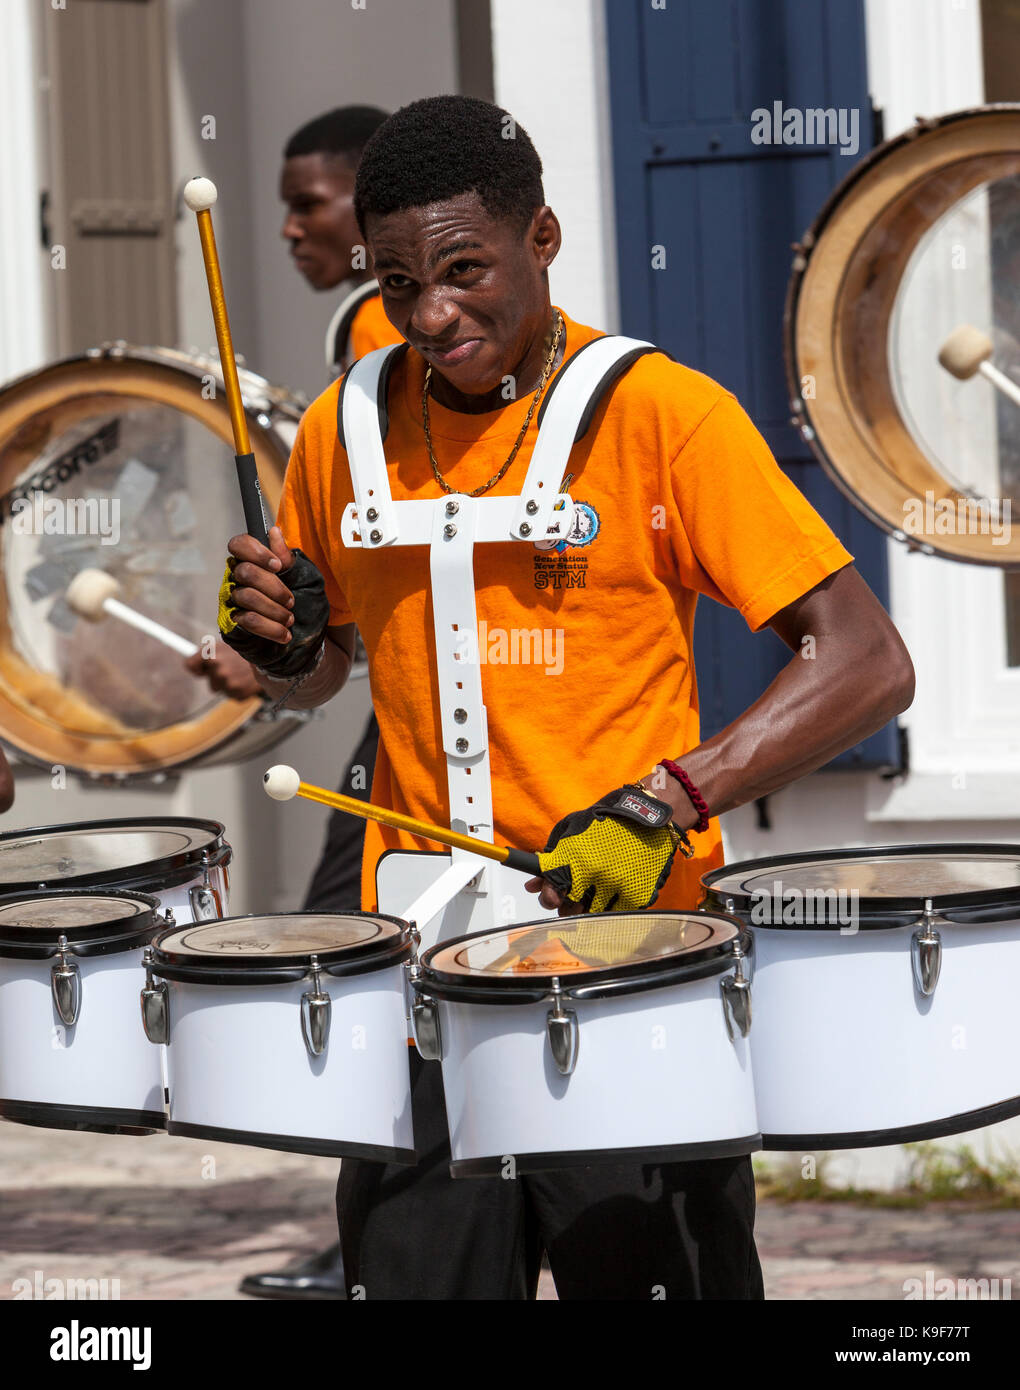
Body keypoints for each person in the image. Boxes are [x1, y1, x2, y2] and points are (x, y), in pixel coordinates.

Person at [218, 95, 915, 1300]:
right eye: (396, 284)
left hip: (632, 971)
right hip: (420, 983)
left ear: (541, 238)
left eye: (464, 269)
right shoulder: (341, 429)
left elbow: (863, 660)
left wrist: (667, 802)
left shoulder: (664, 414)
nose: (434, 315)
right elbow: (334, 663)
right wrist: (288, 651)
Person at [187, 104, 399, 1301]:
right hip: (417, 702)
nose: (286, 227)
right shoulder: (365, 335)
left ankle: (370, 1238)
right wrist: (282, 641)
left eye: (311, 203)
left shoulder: (379, 326)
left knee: (348, 947)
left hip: (427, 730)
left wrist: (301, 643)